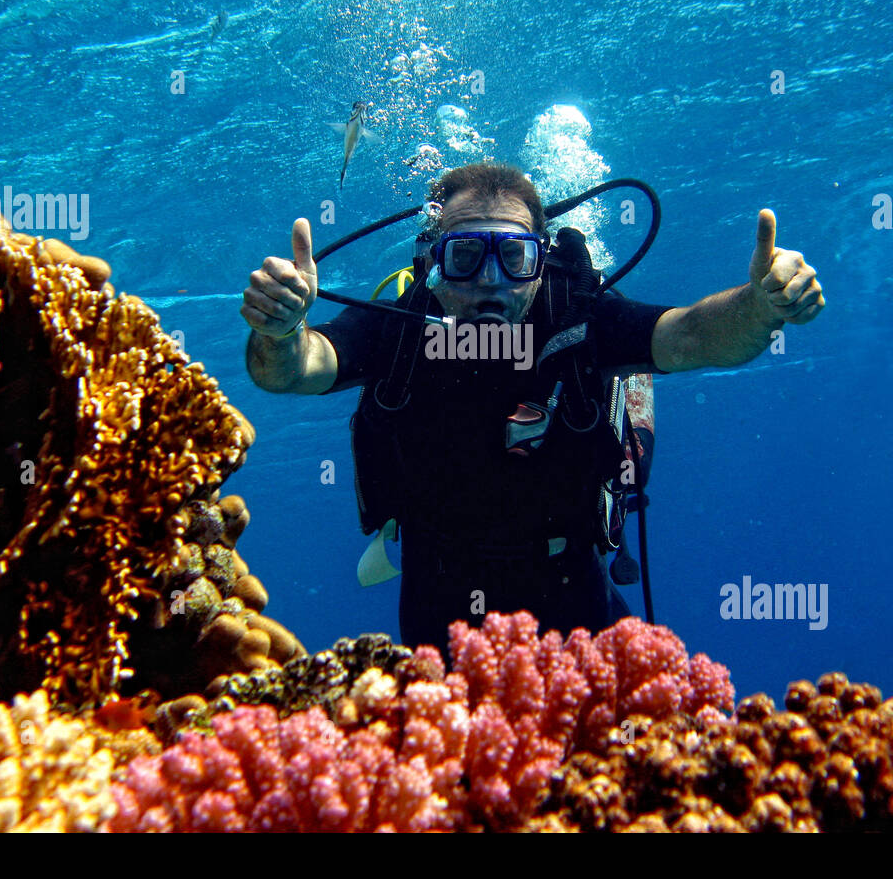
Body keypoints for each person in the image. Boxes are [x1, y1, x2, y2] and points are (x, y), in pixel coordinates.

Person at [241, 163, 824, 654]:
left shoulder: (580, 316)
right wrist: (282, 330)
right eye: (466, 254)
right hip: (435, 583)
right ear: (433, 260)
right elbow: (296, 367)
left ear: (541, 262)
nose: (490, 282)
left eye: (515, 257)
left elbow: (692, 333)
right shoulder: (400, 326)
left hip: (570, 578)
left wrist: (758, 307)